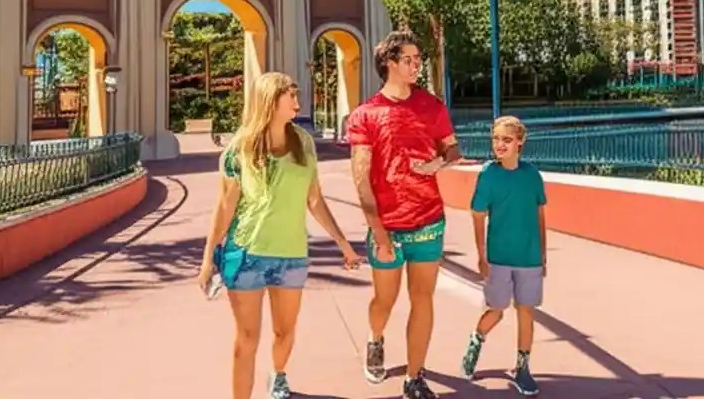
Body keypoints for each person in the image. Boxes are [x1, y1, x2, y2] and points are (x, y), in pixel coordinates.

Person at [197, 71, 363, 399]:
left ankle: (279, 375)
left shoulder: (302, 142)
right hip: (246, 254)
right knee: (246, 340)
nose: (298, 101)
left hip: (291, 255)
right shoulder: (238, 149)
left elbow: (314, 199)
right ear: (271, 101)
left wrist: (344, 244)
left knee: (284, 333)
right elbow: (225, 207)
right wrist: (207, 261)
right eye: (291, 95)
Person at [345, 30, 464, 399]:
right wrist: (379, 234)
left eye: (419, 59)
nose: (417, 65)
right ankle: (375, 338)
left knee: (423, 298)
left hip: (429, 220)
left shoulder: (432, 107)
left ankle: (414, 377)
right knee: (384, 301)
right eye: (410, 59)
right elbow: (361, 180)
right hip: (388, 229)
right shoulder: (366, 115)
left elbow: (454, 150)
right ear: (390, 63)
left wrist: (438, 164)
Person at [460, 115, 547, 395]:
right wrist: (481, 255)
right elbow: (477, 215)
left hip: (529, 258)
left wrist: (543, 255)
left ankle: (523, 367)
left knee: (526, 311)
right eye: (496, 138)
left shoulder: (532, 175)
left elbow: (540, 215)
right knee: (496, 311)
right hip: (498, 257)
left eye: (506, 139)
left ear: (519, 142)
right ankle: (477, 338)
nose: (500, 144)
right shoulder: (488, 175)